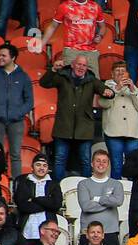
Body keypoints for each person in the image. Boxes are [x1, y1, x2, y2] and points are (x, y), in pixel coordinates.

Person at [40, 53, 112, 182]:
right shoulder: (62, 76)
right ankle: (58, 189)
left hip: (84, 128)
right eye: (79, 64)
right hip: (63, 126)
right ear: (72, 65)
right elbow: (44, 83)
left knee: (85, 160)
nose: (81, 67)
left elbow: (105, 90)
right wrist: (53, 70)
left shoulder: (91, 79)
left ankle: (86, 188)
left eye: (84, 65)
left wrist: (109, 92)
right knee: (59, 159)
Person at [0, 43, 33, 183]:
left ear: (13, 57)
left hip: (16, 121)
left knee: (15, 154)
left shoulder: (23, 77)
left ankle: (17, 185)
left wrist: (18, 113)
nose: (0, 58)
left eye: (3, 55)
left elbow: (29, 101)